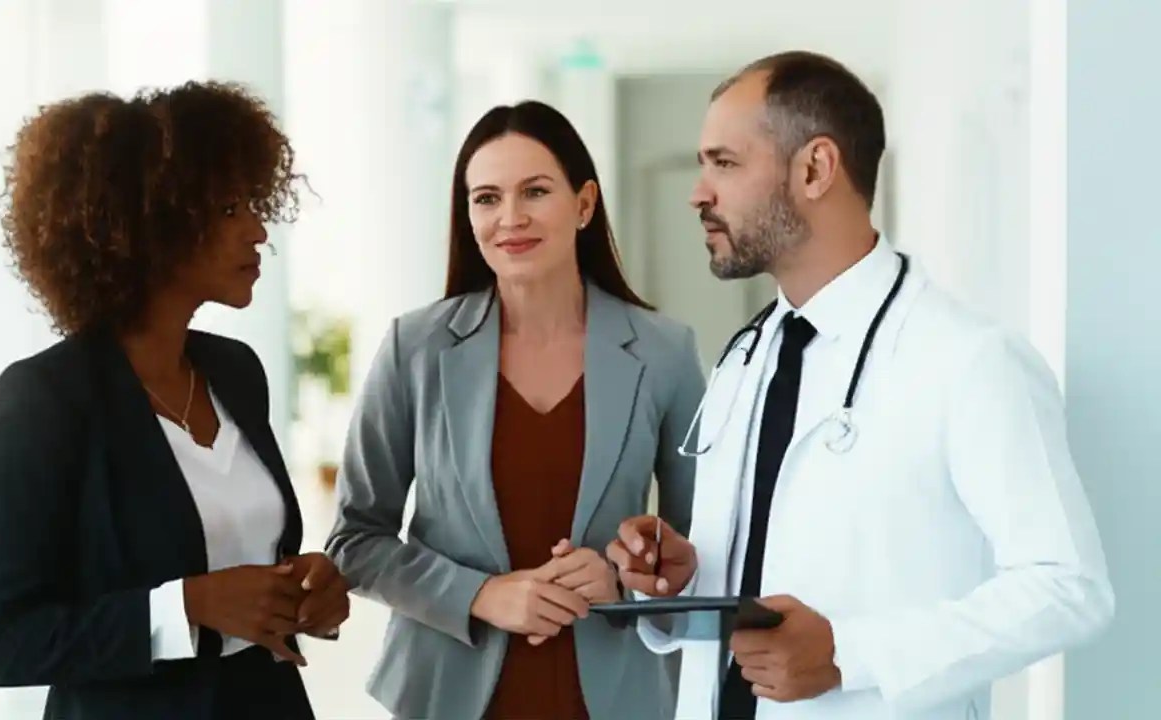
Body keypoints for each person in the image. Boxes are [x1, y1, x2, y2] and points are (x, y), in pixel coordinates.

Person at [607, 51, 1114, 720]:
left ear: (815, 168)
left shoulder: (968, 360)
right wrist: (682, 580)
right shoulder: (746, 358)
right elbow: (762, 573)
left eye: (724, 163)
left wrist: (852, 654)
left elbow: (1068, 588)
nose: (698, 193)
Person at [0, 81, 349, 720]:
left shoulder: (235, 372)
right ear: (148, 225)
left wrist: (305, 592)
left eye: (254, 203)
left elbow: (244, 562)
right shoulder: (44, 400)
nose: (257, 231)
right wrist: (186, 607)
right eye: (229, 210)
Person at [324, 100, 705, 719]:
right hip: (448, 694)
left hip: (615, 695)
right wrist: (479, 594)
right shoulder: (413, 348)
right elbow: (355, 540)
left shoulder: (666, 352)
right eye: (487, 198)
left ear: (584, 204)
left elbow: (705, 547)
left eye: (535, 191)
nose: (511, 218)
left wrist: (624, 581)